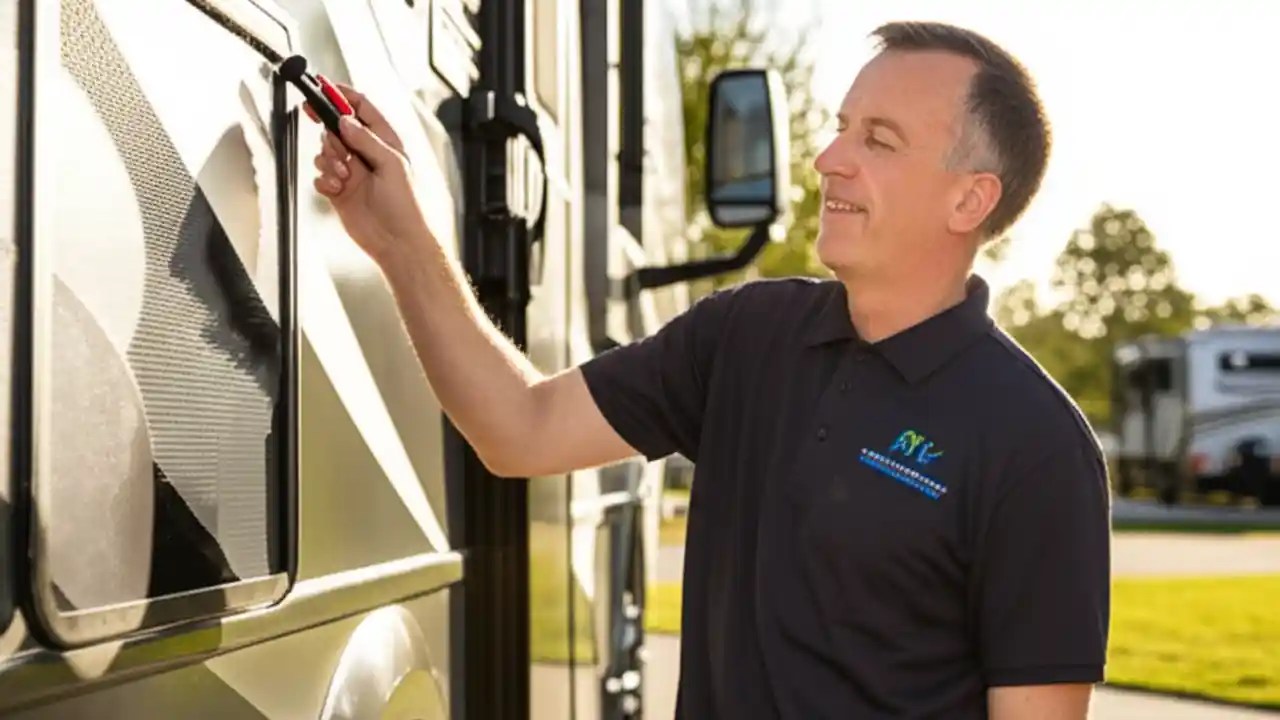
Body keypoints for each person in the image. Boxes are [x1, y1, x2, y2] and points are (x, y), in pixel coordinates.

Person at [309, 19, 1110, 720]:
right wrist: (401, 241)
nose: (830, 157)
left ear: (969, 202)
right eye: (841, 127)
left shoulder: (1038, 445)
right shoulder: (746, 334)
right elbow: (520, 430)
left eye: (879, 139)